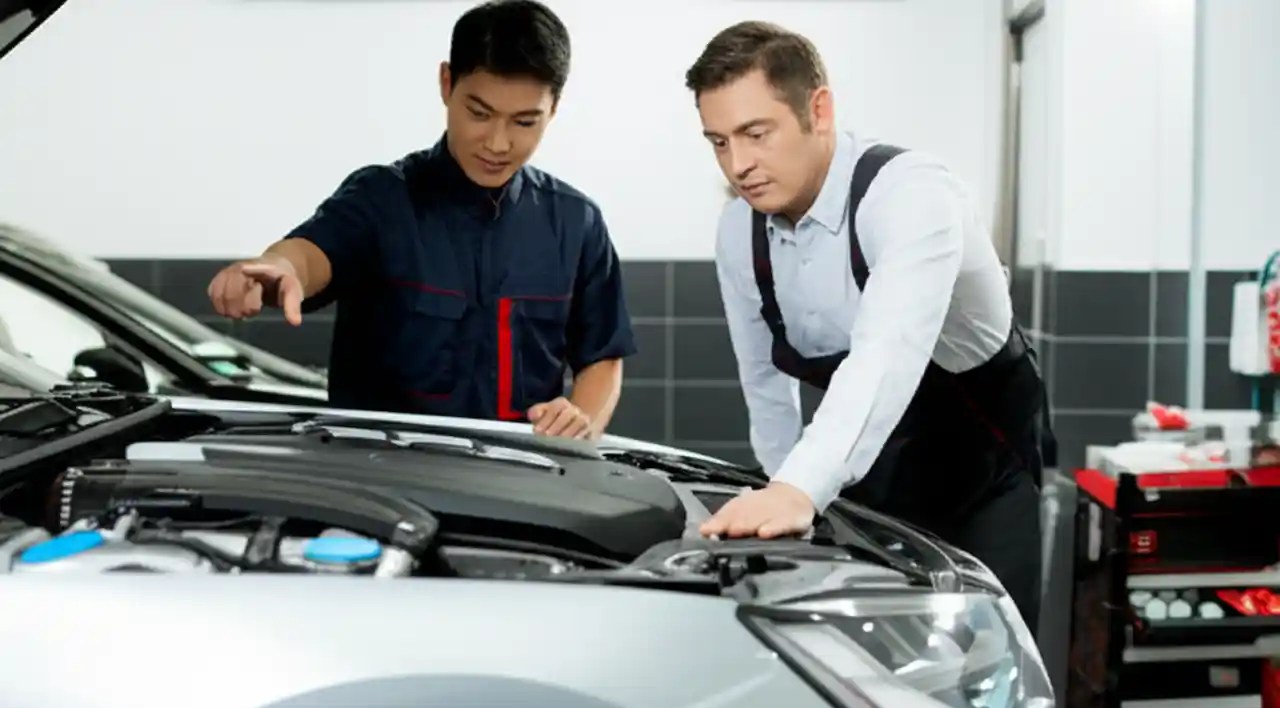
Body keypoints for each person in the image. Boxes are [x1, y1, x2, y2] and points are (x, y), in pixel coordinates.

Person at [684, 21, 1053, 628]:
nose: (738, 165)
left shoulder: (911, 196)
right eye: (719, 142)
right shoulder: (739, 231)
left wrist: (801, 488)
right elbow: (765, 383)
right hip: (864, 477)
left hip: (983, 485)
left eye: (756, 133)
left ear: (819, 110)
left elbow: (887, 354)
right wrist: (782, 491)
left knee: (982, 658)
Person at [206, 0, 635, 440]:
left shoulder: (576, 223)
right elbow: (309, 255)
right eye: (479, 114)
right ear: (447, 84)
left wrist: (580, 424)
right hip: (381, 473)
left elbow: (602, 357)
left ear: (554, 108)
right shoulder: (381, 198)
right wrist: (278, 268)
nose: (498, 143)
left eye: (524, 122)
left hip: (519, 474)